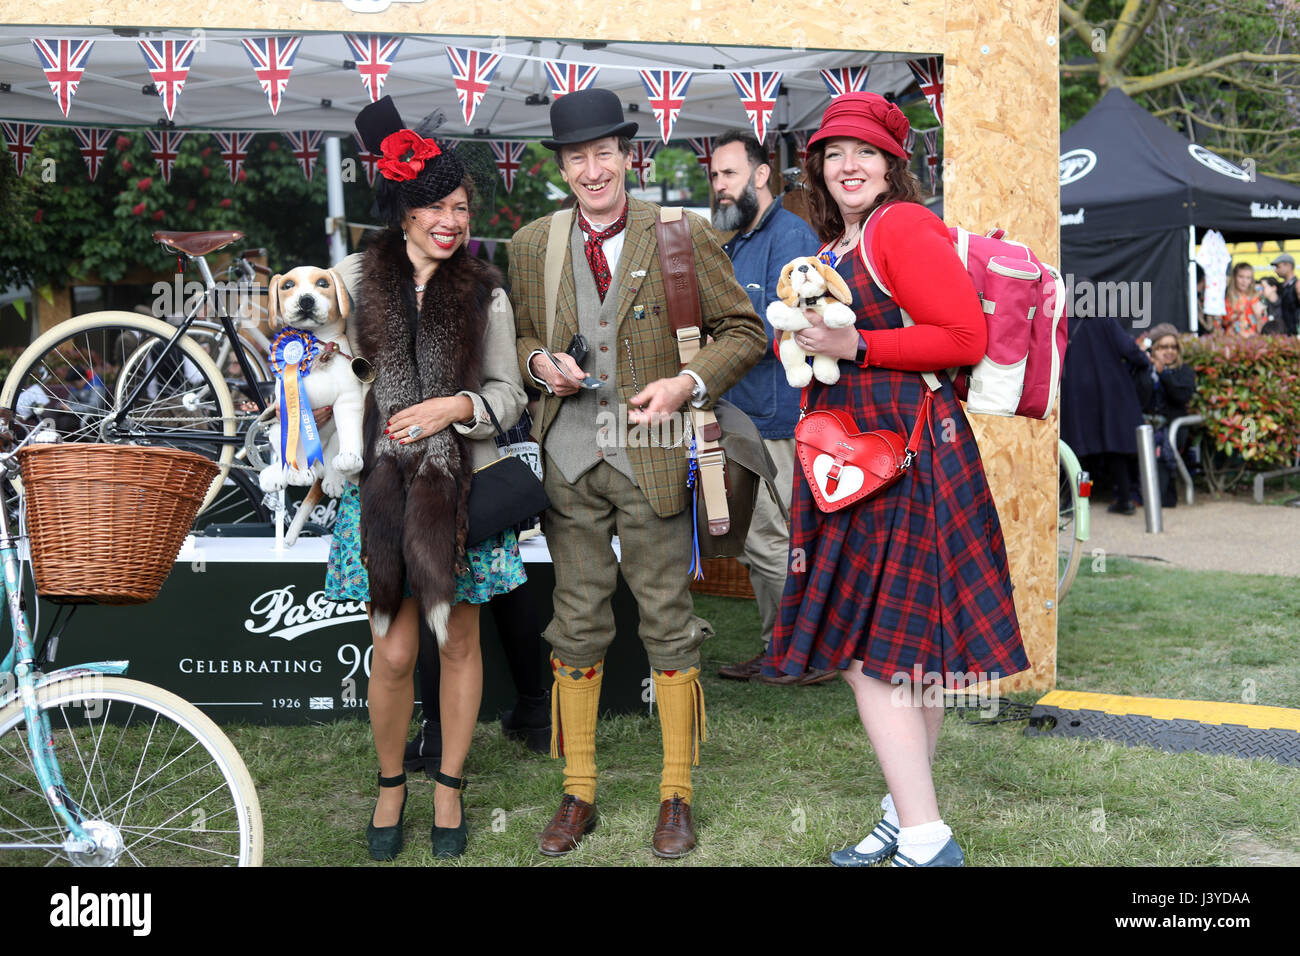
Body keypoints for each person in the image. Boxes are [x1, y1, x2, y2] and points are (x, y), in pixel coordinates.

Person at [759, 92, 1029, 867]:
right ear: (817, 166)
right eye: (835, 153)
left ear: (892, 166)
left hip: (901, 457)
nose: (849, 165)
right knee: (905, 650)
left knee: (870, 652)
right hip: (863, 457)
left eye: (866, 153)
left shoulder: (901, 225)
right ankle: (907, 812)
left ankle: (924, 836)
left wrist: (854, 348)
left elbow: (962, 338)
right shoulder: (837, 244)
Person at [509, 88, 765, 859]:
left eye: (603, 153)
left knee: (668, 620)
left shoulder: (681, 234)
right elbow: (521, 332)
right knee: (577, 622)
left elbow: (744, 330)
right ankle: (579, 791)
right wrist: (535, 362)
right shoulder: (530, 244)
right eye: (576, 158)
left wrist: (689, 384)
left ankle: (676, 795)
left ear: (628, 155)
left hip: (652, 458)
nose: (592, 170)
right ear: (562, 168)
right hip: (568, 459)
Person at [328, 95, 527, 861]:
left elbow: (511, 394)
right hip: (380, 492)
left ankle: (448, 784)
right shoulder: (352, 280)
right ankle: (390, 784)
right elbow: (318, 367)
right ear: (404, 211)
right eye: (436, 205)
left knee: (458, 645)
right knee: (396, 652)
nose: (451, 219)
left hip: (459, 492)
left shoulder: (486, 290)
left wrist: (455, 405)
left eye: (461, 205)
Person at [706, 129, 828, 686]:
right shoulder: (735, 241)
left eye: (728, 174)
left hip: (778, 417)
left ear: (761, 174)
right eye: (714, 177)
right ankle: (785, 649)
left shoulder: (790, 236)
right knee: (763, 537)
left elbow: (775, 328)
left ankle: (794, 656)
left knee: (771, 537)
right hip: (743, 414)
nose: (719, 187)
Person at [1060, 310, 1150, 515]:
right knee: (1114, 447)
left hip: (1076, 394)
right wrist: (1144, 360)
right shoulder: (1106, 321)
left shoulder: (1064, 323)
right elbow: (1129, 350)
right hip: (1111, 393)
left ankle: (1075, 502)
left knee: (1079, 451)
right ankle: (1125, 499)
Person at [1139, 323, 1197, 508]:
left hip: (1172, 429)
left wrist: (1164, 374)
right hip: (1145, 427)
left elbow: (1181, 396)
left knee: (1162, 452)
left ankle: (1163, 499)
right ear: (1154, 349)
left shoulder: (1184, 371)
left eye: (1173, 347)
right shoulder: (1143, 371)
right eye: (1164, 347)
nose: (1169, 351)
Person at [1221, 261, 1266, 337]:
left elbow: (1262, 328)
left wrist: (1258, 317)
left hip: (1253, 342)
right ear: (1234, 277)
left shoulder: (1256, 299)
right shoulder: (1226, 298)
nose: (1244, 281)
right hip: (1232, 341)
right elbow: (1222, 323)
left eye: (1248, 278)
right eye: (1241, 277)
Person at [1271, 252, 1298, 336]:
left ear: (1288, 266)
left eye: (1278, 267)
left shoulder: (1297, 287)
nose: (1275, 270)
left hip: (1294, 333)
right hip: (1284, 333)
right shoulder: (1282, 287)